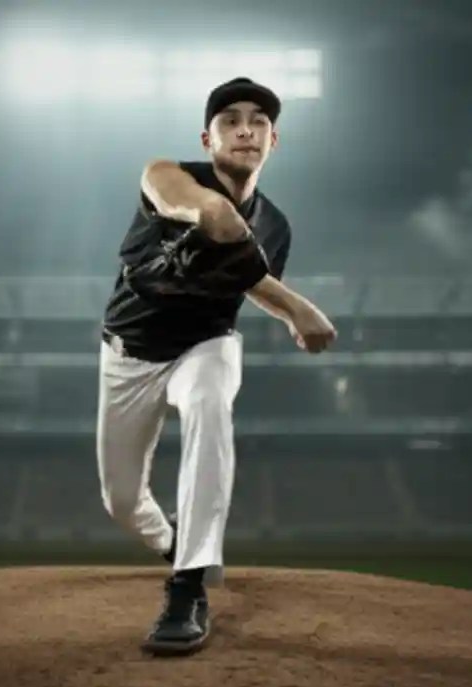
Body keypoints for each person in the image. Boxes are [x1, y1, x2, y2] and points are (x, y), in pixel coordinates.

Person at [98, 77, 338, 655]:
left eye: (259, 121)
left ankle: (188, 585)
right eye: (230, 119)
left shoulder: (275, 225)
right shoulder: (164, 174)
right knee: (123, 503)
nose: (246, 128)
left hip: (206, 344)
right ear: (208, 137)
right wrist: (298, 306)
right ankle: (176, 539)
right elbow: (208, 215)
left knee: (210, 402)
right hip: (128, 354)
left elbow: (246, 280)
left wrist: (284, 309)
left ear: (273, 141)